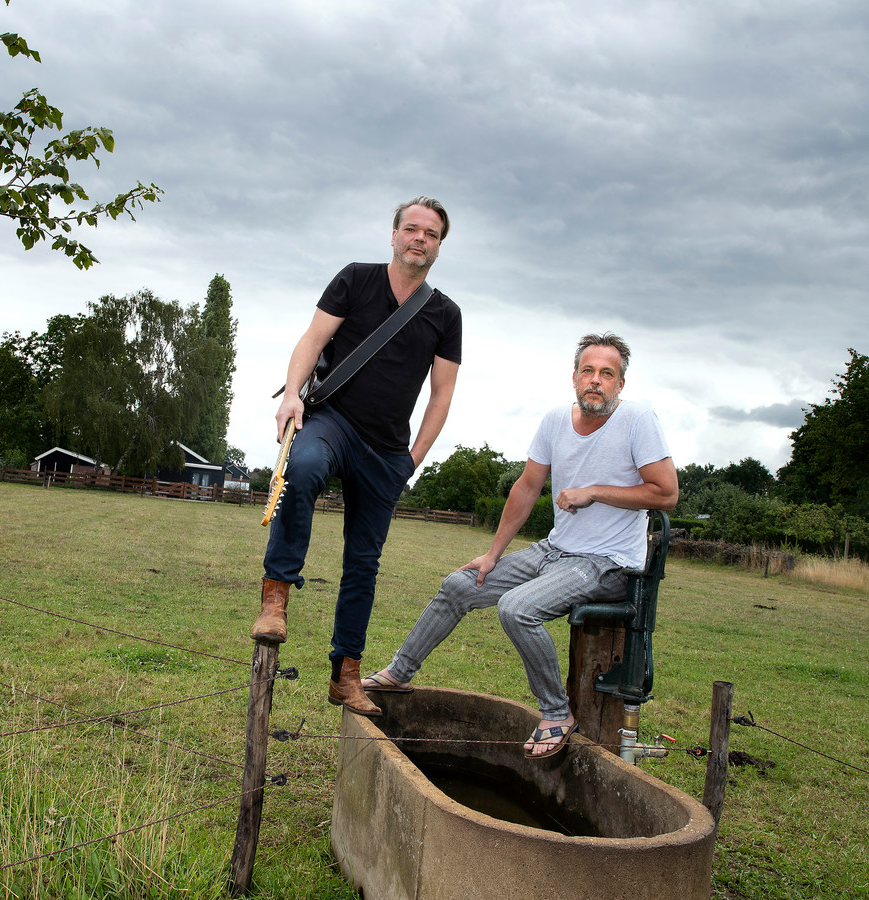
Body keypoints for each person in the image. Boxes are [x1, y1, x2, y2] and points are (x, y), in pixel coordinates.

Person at [361, 333, 677, 756]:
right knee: (460, 584)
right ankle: (400, 674)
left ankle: (556, 713)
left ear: (621, 384)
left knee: (517, 609)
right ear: (574, 378)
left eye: (607, 373)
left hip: (607, 562)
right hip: (554, 550)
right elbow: (527, 488)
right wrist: (492, 555)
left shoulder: (637, 420)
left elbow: (665, 494)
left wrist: (594, 491)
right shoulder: (553, 421)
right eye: (588, 371)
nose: (596, 381)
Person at [251, 196, 462, 719]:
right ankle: (275, 598)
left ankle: (346, 674)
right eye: (411, 229)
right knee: (300, 469)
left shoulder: (445, 314)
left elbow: (441, 396)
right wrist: (292, 393)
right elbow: (312, 338)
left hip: (387, 449)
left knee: (363, 566)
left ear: (439, 245)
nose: (419, 239)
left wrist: (411, 460)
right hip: (333, 421)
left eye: (430, 234)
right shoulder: (355, 279)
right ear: (394, 235)